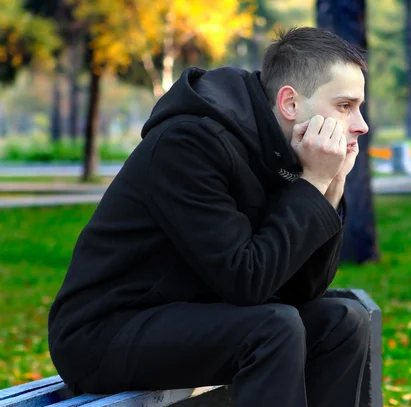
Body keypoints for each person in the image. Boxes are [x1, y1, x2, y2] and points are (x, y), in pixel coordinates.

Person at [47, 27, 371, 407]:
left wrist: (329, 191)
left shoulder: (278, 151)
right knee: (273, 329)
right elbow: (246, 281)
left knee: (343, 321)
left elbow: (299, 290)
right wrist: (314, 181)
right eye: (345, 106)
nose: (361, 124)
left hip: (196, 313)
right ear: (290, 104)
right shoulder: (190, 142)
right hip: (105, 332)